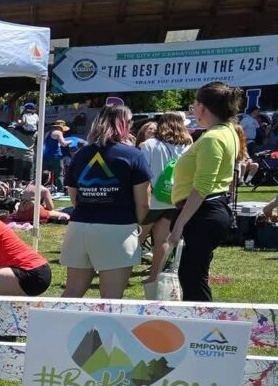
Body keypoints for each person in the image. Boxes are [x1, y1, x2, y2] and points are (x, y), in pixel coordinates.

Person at [60, 103, 150, 300]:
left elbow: (74, 198)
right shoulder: (134, 155)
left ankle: (53, 330)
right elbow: (143, 202)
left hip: (79, 227)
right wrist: (140, 228)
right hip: (118, 229)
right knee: (111, 298)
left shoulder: (82, 154)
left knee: (72, 293)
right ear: (124, 124)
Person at [168, 82, 244, 303]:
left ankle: (202, 327)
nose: (193, 109)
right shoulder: (227, 131)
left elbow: (202, 186)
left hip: (203, 212)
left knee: (192, 277)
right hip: (209, 210)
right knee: (192, 275)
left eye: (194, 104)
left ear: (201, 107)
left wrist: (180, 223)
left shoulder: (213, 137)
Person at [141, 112, 194, 286]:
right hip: (174, 199)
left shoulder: (149, 145)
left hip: (151, 199)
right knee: (162, 240)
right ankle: (154, 277)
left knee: (135, 240)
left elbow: (143, 174)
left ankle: (119, 273)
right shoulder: (188, 146)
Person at [42, 119, 69, 187]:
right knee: (59, 174)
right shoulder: (58, 132)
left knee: (44, 174)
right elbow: (63, 144)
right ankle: (60, 191)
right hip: (56, 156)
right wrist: (70, 141)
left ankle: (41, 188)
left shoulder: (47, 133)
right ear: (61, 127)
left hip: (45, 156)